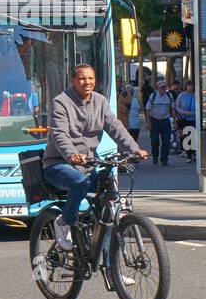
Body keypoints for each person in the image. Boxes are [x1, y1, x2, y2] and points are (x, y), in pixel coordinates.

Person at [42, 65, 147, 251]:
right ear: (73, 81)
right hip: (59, 164)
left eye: (90, 78)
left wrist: (134, 149)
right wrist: (71, 154)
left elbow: (116, 128)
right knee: (80, 182)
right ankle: (63, 222)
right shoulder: (61, 102)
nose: (87, 82)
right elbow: (60, 135)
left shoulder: (100, 101)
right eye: (82, 79)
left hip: (88, 164)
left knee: (108, 205)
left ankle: (113, 271)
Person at [144, 78, 176, 166]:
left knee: (166, 141)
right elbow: (147, 109)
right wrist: (148, 122)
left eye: (164, 87)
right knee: (155, 140)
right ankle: (155, 157)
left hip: (165, 120)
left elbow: (172, 109)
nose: (163, 89)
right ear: (157, 88)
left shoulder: (169, 96)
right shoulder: (153, 95)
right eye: (161, 87)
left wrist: (175, 121)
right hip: (154, 120)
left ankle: (164, 159)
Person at [175, 80, 198, 162]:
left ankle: (194, 153)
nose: (190, 87)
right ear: (186, 86)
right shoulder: (181, 95)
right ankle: (189, 155)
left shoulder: (197, 94)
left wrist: (195, 113)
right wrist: (184, 112)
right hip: (185, 119)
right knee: (187, 137)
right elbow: (177, 107)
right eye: (189, 85)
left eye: (192, 85)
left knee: (195, 137)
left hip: (195, 119)